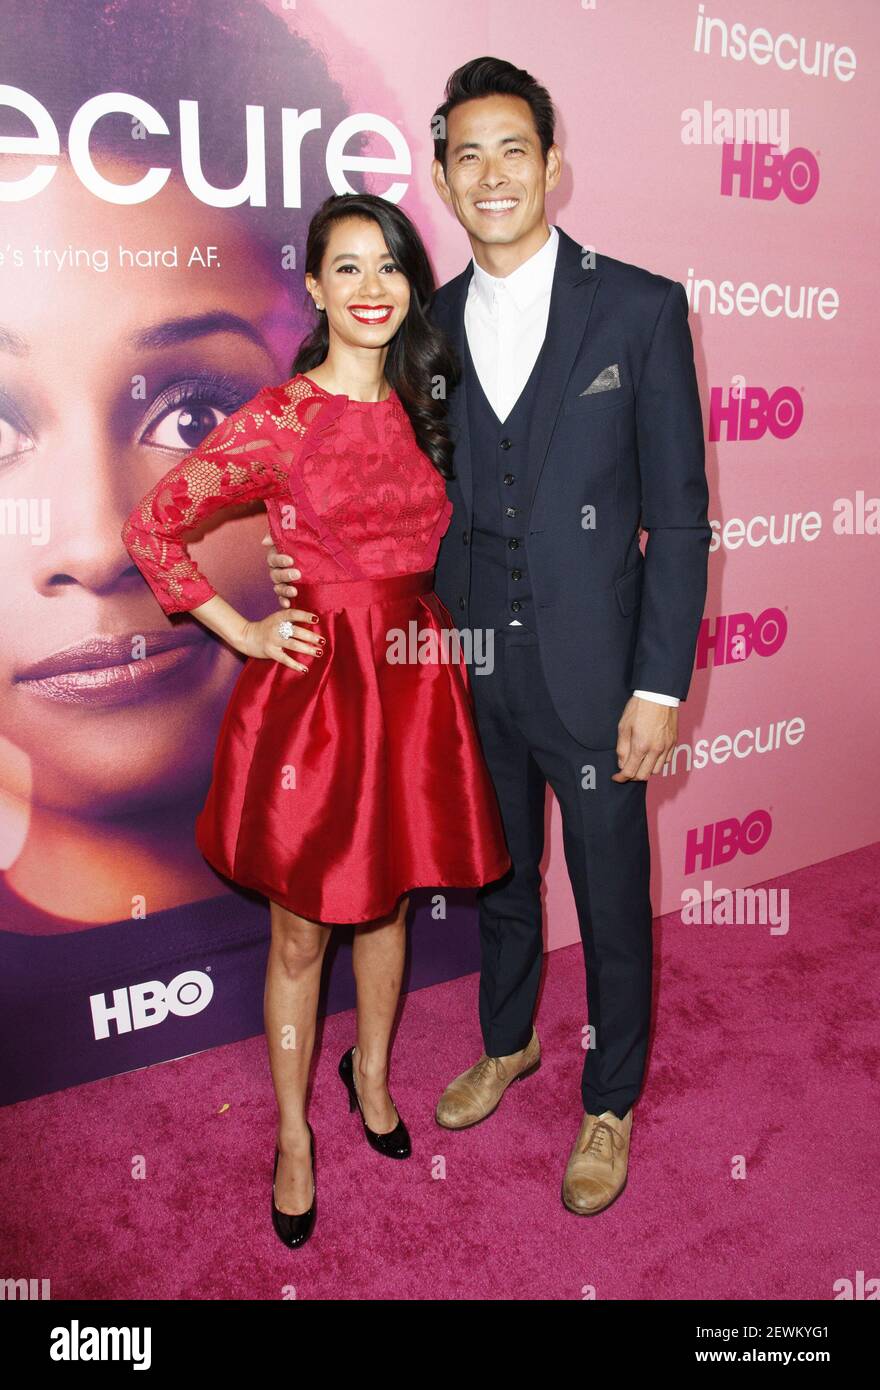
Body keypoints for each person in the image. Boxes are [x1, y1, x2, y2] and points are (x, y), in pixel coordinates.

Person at [267, 58, 711, 1217]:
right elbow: (369, 485)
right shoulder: (427, 330)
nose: (493, 172)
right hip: (461, 669)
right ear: (443, 180)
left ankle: (608, 1097)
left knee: (612, 895)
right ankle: (507, 1040)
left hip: (601, 670)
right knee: (500, 879)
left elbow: (683, 511)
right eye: (467, 153)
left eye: (514, 148)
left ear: (553, 167)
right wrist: (297, 560)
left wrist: (659, 685)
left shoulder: (641, 307)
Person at [121, 192, 511, 1248]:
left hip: (414, 676)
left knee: (386, 904)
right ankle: (293, 1136)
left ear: (410, 284)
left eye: (388, 267)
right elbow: (156, 524)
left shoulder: (436, 399)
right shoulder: (284, 417)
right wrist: (241, 631)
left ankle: (372, 1080)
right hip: (322, 694)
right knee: (304, 930)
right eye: (347, 268)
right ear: (314, 287)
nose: (372, 288)